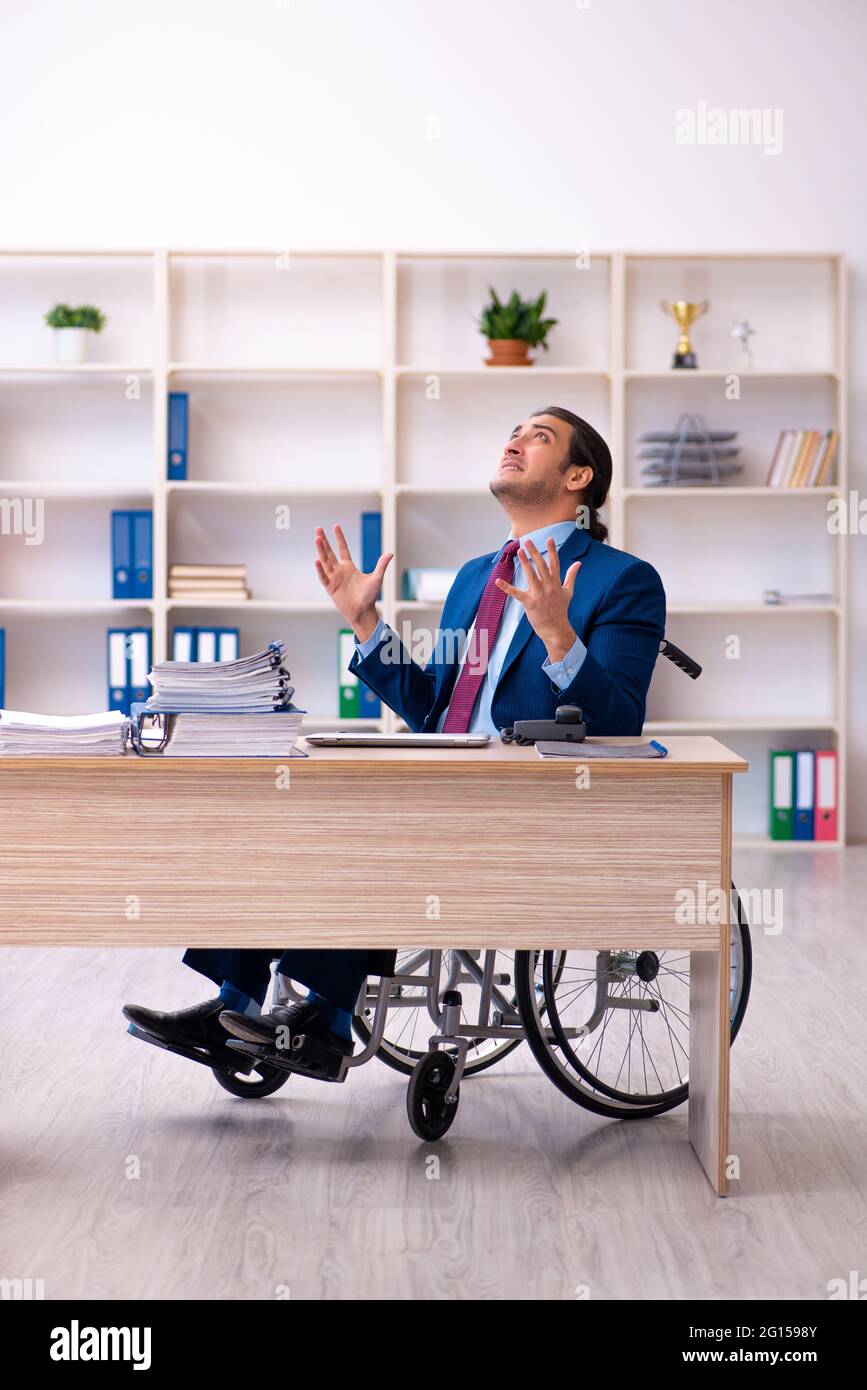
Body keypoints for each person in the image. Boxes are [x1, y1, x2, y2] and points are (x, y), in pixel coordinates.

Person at [123, 405, 666, 1077]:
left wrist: (558, 633)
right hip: (448, 786)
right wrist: (365, 622)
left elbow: (619, 723)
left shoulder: (623, 580)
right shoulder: (475, 577)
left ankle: (327, 1019)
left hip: (538, 812)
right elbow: (436, 710)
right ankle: (234, 1001)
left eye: (539, 436)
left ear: (578, 476)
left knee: (371, 823)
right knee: (284, 804)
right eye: (513, 430)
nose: (514, 440)